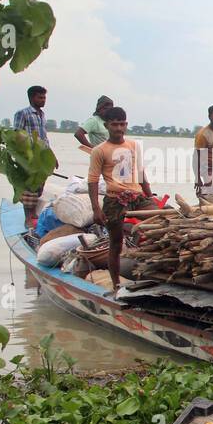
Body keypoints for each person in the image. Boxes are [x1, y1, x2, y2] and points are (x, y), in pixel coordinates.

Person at [87, 107, 161, 292]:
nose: (119, 128)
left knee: (161, 222)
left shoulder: (134, 145)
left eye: (122, 124)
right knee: (116, 242)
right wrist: (96, 209)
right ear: (107, 126)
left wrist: (150, 195)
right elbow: (93, 180)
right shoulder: (100, 150)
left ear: (126, 125)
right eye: (114, 125)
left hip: (136, 196)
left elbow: (141, 172)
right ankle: (115, 284)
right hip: (114, 200)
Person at [13, 85, 58, 228]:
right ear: (32, 98)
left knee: (39, 186)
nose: (43, 100)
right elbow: (17, 134)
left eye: (44, 97)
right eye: (40, 97)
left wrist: (52, 156)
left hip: (42, 156)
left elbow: (44, 137)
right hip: (29, 156)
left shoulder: (41, 114)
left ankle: (33, 214)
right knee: (28, 187)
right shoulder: (23, 113)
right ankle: (28, 217)